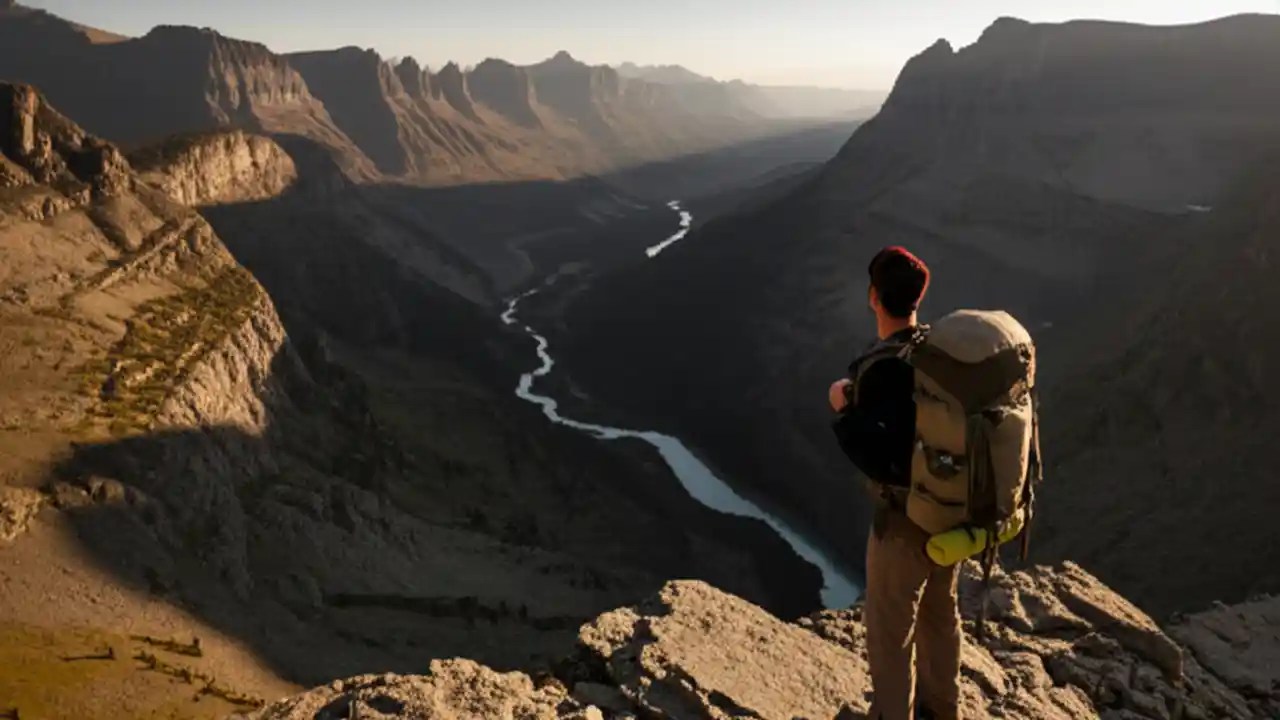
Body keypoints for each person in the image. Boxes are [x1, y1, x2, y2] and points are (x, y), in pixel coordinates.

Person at [828, 246, 961, 720]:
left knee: (890, 630)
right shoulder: (941, 353)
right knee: (940, 613)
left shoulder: (886, 367)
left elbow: (880, 459)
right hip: (950, 509)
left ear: (874, 297)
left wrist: (843, 411)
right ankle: (943, 709)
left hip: (904, 521)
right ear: (919, 299)